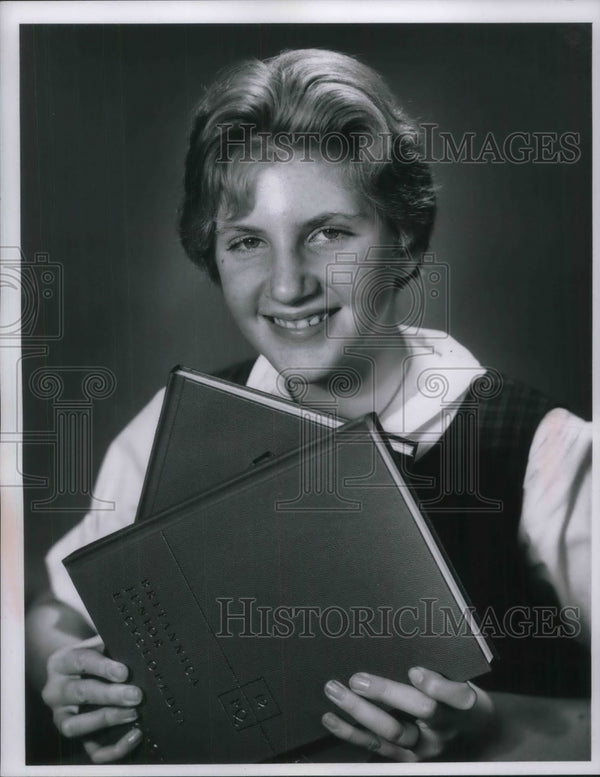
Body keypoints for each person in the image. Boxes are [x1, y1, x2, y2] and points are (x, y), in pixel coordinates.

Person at [25, 48, 591, 764]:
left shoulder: (543, 452)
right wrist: (69, 670)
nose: (287, 285)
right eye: (247, 242)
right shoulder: (168, 428)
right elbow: (53, 611)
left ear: (406, 241)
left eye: (328, 232)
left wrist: (491, 729)